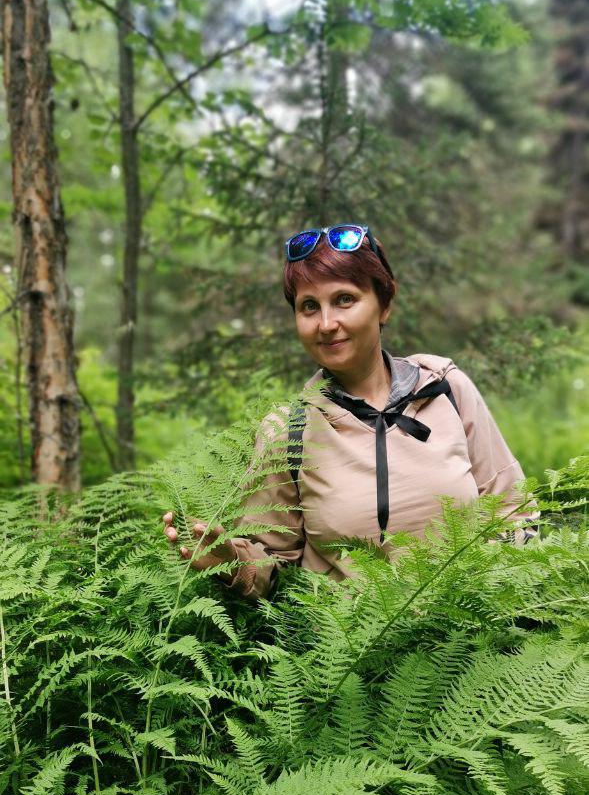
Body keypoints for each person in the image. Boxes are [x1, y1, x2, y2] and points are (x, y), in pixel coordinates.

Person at [163, 223, 537, 599]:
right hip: (351, 652)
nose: (326, 324)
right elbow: (273, 563)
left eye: (344, 299)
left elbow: (514, 511)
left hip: (466, 648)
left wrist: (498, 601)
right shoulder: (290, 429)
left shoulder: (446, 390)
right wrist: (233, 563)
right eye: (309, 306)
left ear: (384, 304)